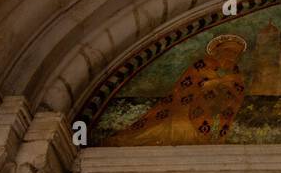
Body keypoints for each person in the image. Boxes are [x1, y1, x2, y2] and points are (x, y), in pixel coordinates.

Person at [105, 34, 247, 145]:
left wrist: (225, 88)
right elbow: (188, 86)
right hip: (188, 109)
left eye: (235, 53)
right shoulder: (203, 65)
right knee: (174, 129)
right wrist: (216, 82)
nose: (231, 56)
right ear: (218, 51)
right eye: (228, 51)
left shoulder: (234, 72)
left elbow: (237, 93)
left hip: (215, 113)